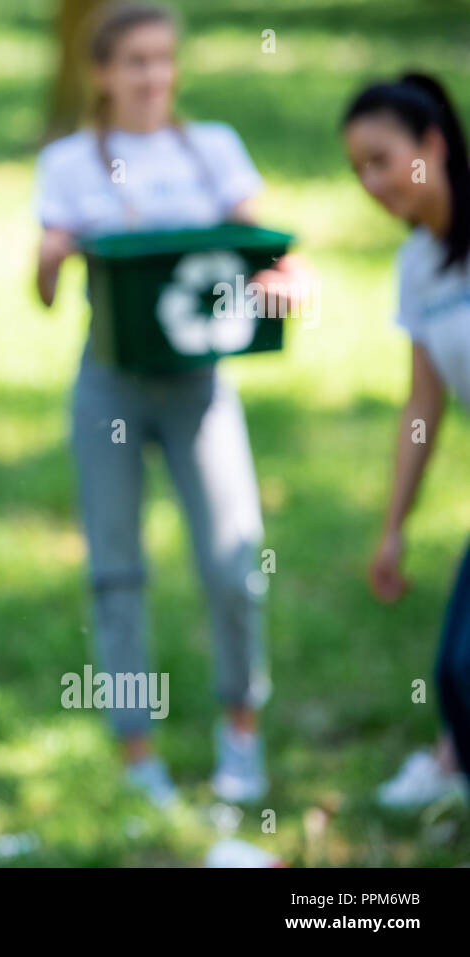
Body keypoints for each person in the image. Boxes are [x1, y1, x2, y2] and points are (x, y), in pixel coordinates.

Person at [32, 2, 310, 807]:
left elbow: (264, 250)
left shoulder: (213, 150)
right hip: (109, 380)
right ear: (101, 73)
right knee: (117, 569)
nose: (153, 76)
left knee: (233, 562)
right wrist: (51, 256)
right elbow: (45, 292)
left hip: (200, 381)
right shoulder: (72, 162)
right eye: (135, 62)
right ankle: (138, 751)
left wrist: (288, 283)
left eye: (164, 59)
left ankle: (242, 730)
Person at [342, 72, 470, 810]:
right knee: (458, 667)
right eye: (358, 168)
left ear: (432, 145)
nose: (370, 181)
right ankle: (454, 762)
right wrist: (394, 527)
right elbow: (424, 405)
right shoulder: (418, 264)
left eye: (381, 159)